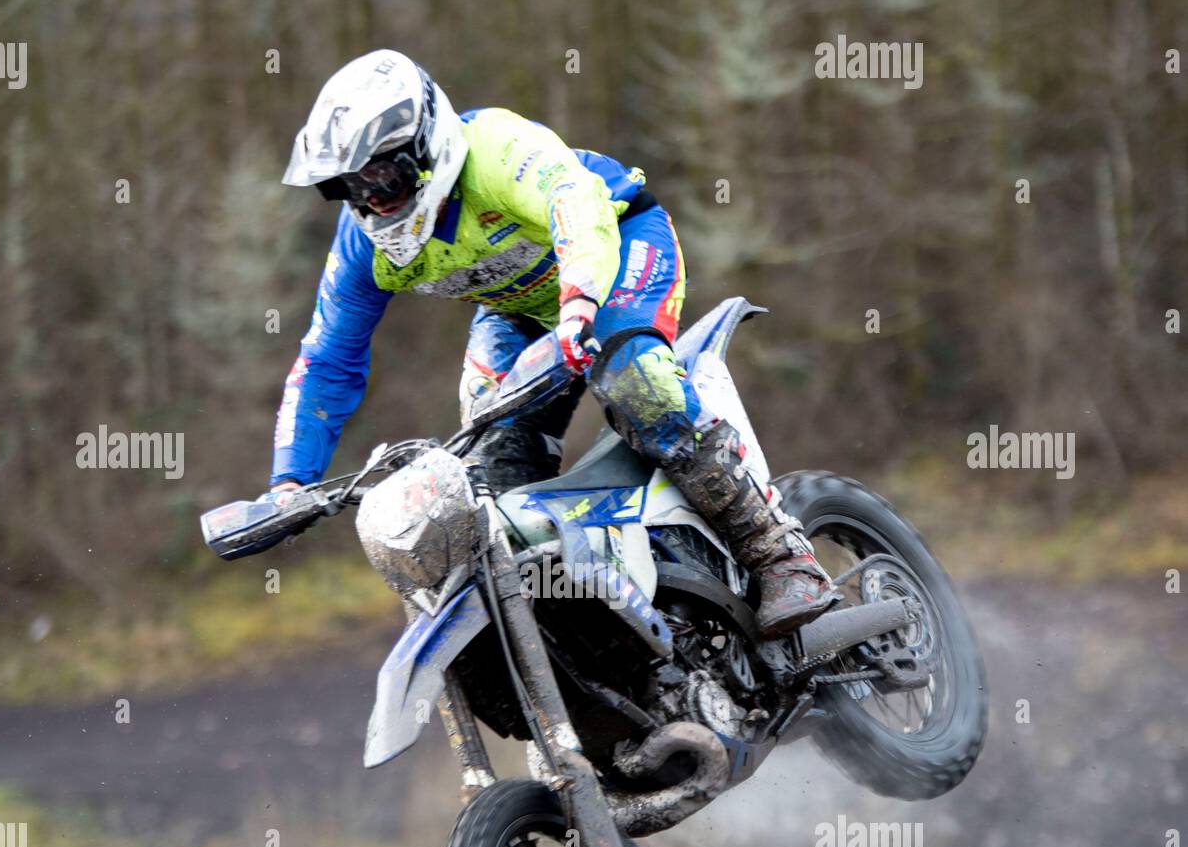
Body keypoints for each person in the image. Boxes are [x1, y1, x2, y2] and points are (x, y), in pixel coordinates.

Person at [270, 50, 840, 634]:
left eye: (382, 174)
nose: (373, 198)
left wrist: (579, 303)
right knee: (487, 474)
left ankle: (778, 554)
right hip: (519, 310)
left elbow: (575, 200)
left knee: (635, 381)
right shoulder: (363, 245)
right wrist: (291, 481)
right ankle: (589, 629)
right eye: (348, 185)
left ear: (426, 145)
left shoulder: (493, 149)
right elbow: (328, 359)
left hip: (616, 253)